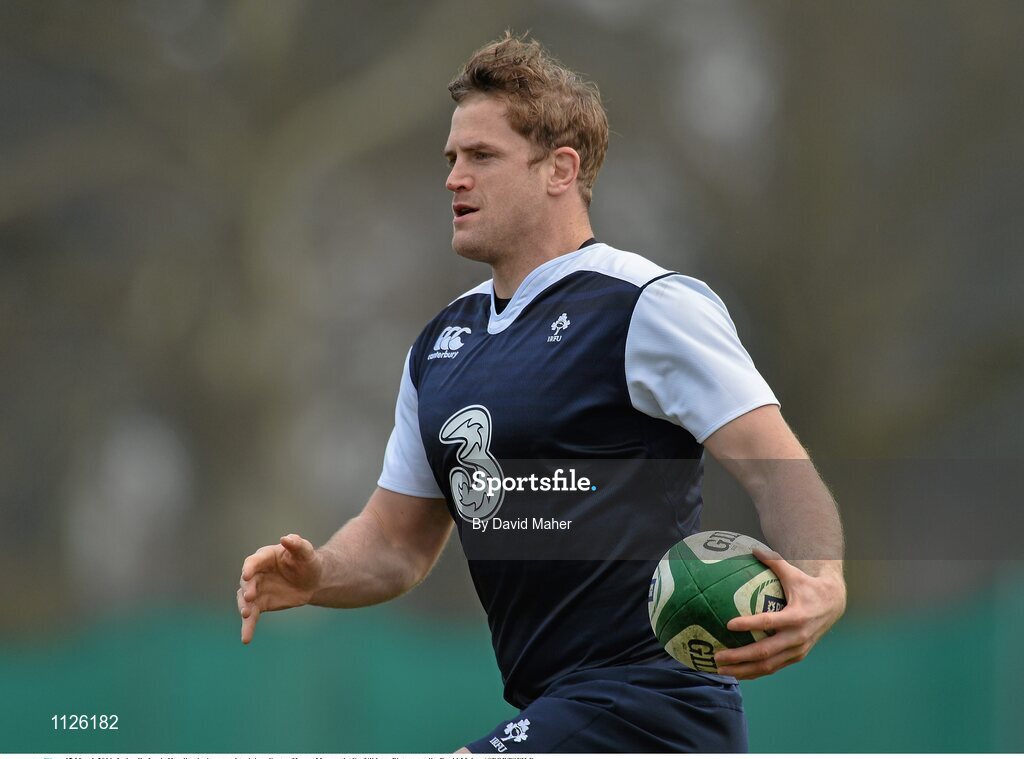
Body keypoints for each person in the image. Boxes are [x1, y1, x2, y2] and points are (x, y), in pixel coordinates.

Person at [237, 32, 846, 753]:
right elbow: (399, 544)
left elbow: (778, 465)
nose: (454, 178)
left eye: (482, 157)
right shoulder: (439, 346)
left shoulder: (646, 305)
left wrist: (823, 581)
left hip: (652, 705)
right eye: (451, 159)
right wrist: (319, 575)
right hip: (558, 708)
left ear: (561, 169)